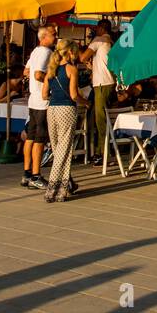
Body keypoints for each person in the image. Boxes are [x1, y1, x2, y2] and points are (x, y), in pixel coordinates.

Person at [42, 39, 89, 202]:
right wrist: (86, 103)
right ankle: (53, 189)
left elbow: (43, 95)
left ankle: (65, 186)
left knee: (57, 149)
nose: (76, 55)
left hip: (51, 110)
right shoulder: (72, 69)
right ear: (70, 52)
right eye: (75, 52)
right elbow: (74, 95)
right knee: (64, 150)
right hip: (66, 110)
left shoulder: (51, 70)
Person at [22, 25, 57, 190]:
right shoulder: (46, 52)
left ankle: (27, 173)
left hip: (33, 99)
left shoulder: (35, 51)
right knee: (40, 138)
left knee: (30, 136)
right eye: (53, 34)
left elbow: (26, 71)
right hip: (42, 101)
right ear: (43, 37)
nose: (55, 37)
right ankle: (36, 175)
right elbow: (37, 74)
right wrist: (52, 81)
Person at [80, 19, 115, 165]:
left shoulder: (99, 40)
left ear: (101, 28)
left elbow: (82, 57)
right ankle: (102, 150)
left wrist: (77, 50)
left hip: (101, 83)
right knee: (99, 117)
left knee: (100, 119)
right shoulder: (111, 42)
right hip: (107, 82)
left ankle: (104, 152)